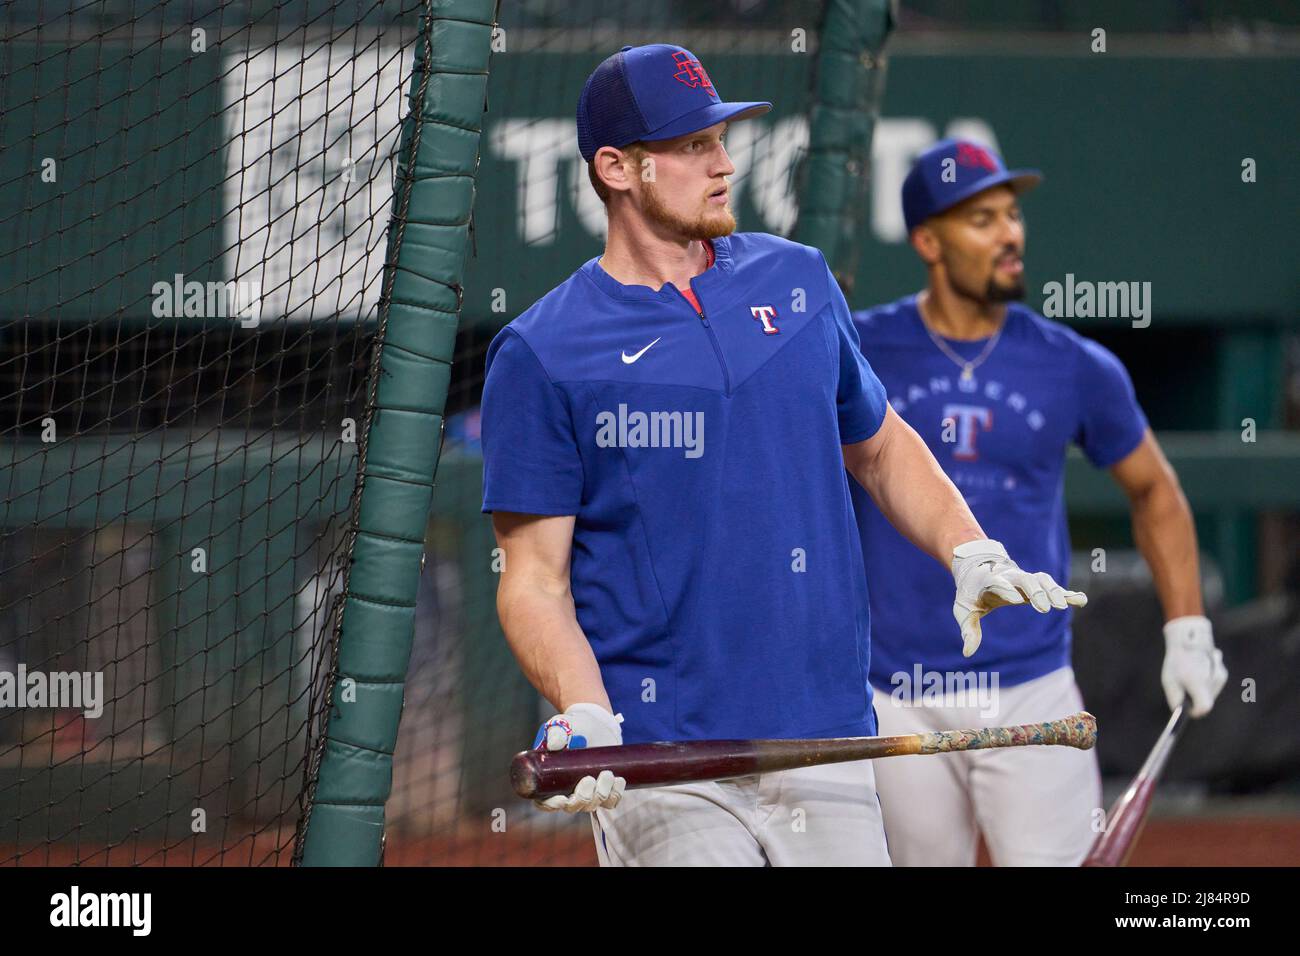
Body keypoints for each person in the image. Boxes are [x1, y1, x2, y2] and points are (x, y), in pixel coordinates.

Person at [479, 47, 1082, 866]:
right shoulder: (542, 351)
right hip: (665, 759)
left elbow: (880, 448)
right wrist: (587, 713)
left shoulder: (798, 280)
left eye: (721, 138)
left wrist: (967, 547)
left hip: (827, 742)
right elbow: (535, 580)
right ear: (618, 168)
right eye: (692, 146)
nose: (724, 163)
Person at [849, 139, 1229, 866]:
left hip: (1032, 692)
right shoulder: (862, 350)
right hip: (892, 694)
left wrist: (1187, 627)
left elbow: (1154, 488)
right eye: (982, 219)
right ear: (928, 240)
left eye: (1013, 216)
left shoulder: (1073, 364)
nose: (1011, 235)